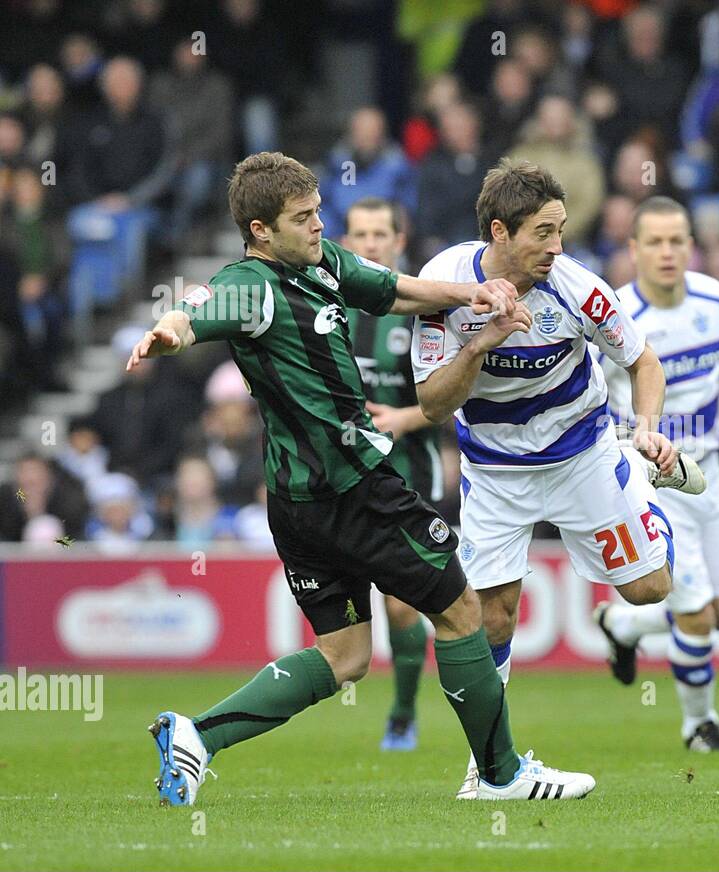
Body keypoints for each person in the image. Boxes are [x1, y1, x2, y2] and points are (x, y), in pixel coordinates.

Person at [129, 151, 595, 805]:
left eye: (319, 210)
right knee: (463, 610)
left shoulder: (321, 264)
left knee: (345, 655)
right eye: (303, 217)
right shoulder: (250, 287)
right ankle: (501, 775)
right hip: (356, 490)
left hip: (298, 505)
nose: (321, 224)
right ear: (261, 231)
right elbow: (198, 305)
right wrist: (168, 329)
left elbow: (395, 290)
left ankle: (196, 736)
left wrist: (472, 292)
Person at [412, 160, 707, 797]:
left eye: (561, 230)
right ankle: (491, 770)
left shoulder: (580, 289)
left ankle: (647, 480)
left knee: (651, 590)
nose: (557, 246)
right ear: (499, 231)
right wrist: (480, 343)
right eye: (543, 233)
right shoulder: (442, 285)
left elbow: (643, 361)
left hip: (584, 455)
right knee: (491, 619)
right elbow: (434, 403)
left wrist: (648, 424)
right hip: (494, 471)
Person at [593, 196, 719, 752]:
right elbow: (587, 392)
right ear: (634, 250)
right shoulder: (612, 315)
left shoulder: (717, 301)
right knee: (694, 615)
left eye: (677, 240)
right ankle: (699, 726)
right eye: (655, 242)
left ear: (691, 245)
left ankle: (623, 627)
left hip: (709, 474)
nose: (668, 252)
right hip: (648, 479)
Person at [338, 196, 442, 751]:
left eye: (381, 233)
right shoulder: (329, 306)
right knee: (359, 605)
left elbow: (454, 395)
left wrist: (404, 417)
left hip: (411, 468)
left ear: (399, 241)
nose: (371, 242)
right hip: (345, 472)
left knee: (401, 599)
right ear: (348, 242)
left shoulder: (422, 307)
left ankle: (402, 711)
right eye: (361, 233)